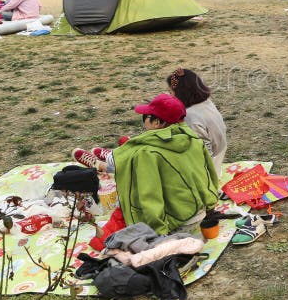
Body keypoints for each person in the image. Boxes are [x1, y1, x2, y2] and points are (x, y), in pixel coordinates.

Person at [73, 94, 219, 235]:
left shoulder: (147, 154)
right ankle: (111, 159)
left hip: (178, 223)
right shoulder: (194, 139)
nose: (144, 121)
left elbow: (149, 196)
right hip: (201, 211)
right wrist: (211, 206)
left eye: (146, 117)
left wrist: (158, 231)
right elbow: (210, 174)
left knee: (129, 173)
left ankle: (108, 161)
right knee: (136, 161)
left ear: (157, 123)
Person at [166, 68, 227, 178]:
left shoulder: (190, 116)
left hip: (209, 170)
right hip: (219, 153)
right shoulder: (205, 102)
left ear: (180, 93)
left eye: (171, 92)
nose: (169, 96)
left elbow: (204, 153)